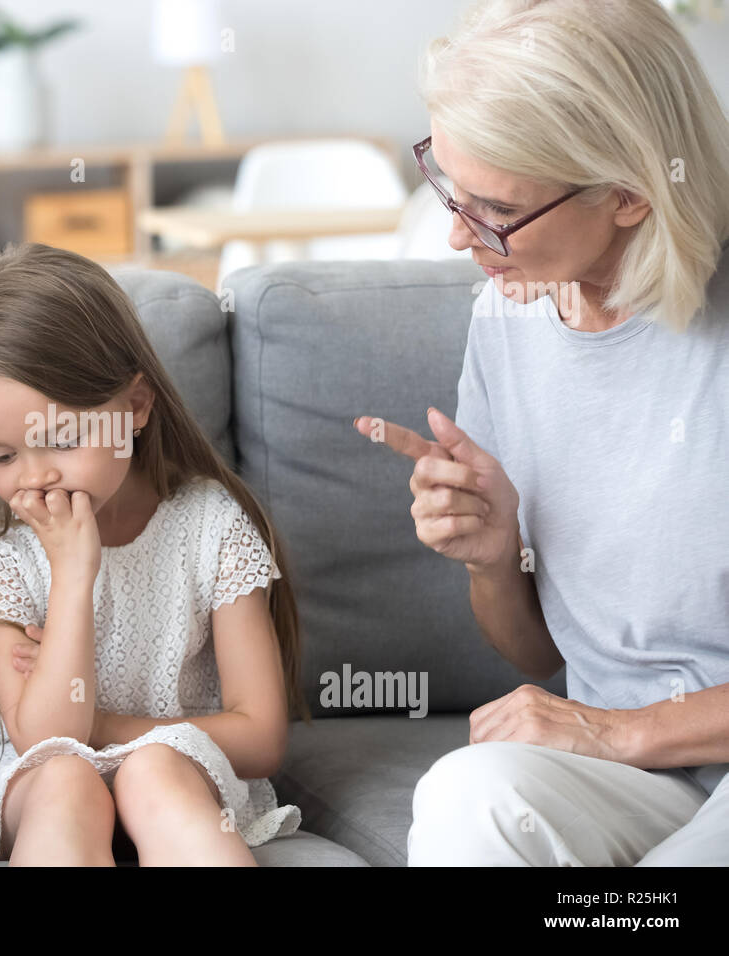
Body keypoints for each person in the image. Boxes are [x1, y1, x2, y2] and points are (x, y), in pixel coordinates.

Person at [354, 0, 729, 865]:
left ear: (630, 192)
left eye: (492, 208)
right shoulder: (508, 318)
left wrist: (623, 733)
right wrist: (495, 556)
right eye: (446, 183)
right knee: (465, 797)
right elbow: (538, 656)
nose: (456, 234)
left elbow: (603, 725)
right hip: (639, 778)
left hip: (650, 752)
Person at [0, 243, 309, 865]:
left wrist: (106, 730)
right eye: (1, 455)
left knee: (154, 767)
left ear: (133, 407)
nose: (34, 479)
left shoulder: (209, 523)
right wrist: (74, 572)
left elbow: (262, 737)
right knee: (68, 780)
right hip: (27, 777)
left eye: (61, 439)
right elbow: (48, 741)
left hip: (174, 771)